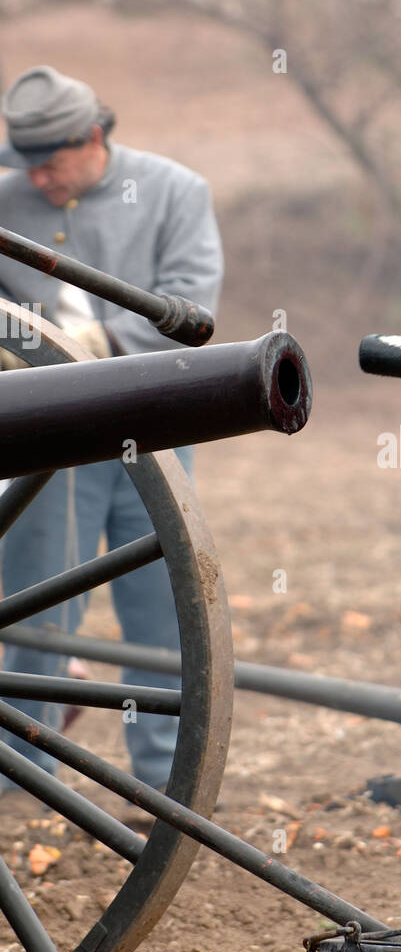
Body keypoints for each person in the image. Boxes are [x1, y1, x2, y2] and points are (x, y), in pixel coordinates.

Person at [0, 65, 223, 797]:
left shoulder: (172, 190)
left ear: (94, 137)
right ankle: (22, 781)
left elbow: (189, 308)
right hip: (46, 442)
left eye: (52, 164)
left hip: (150, 429)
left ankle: (164, 781)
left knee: (162, 617)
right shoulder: (5, 193)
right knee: (33, 616)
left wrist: (90, 340)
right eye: (25, 166)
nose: (37, 182)